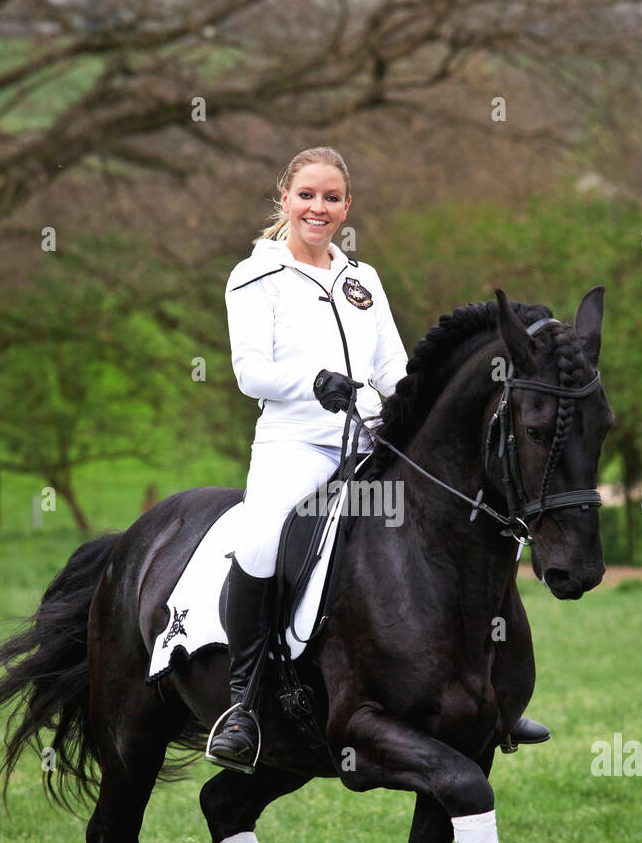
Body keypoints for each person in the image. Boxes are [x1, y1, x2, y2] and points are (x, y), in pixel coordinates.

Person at [206, 145, 548, 773]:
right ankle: (243, 705)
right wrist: (315, 382)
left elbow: (392, 365)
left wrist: (408, 404)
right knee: (259, 542)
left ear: (347, 206)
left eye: (331, 198)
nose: (319, 207)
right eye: (307, 195)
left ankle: (498, 692)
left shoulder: (362, 278)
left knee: (476, 526)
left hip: (370, 440)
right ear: (284, 198)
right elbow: (250, 372)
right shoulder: (254, 276)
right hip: (295, 444)